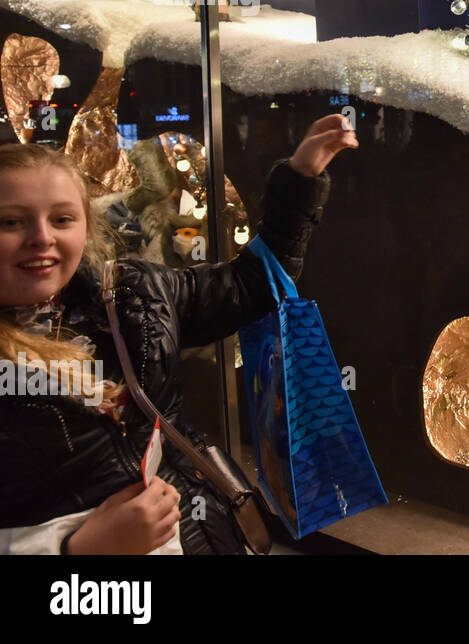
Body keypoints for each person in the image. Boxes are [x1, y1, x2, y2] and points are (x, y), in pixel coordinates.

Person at [0, 113, 357, 554]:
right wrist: (80, 551)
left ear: (86, 227)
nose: (41, 238)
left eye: (61, 219)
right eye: (11, 222)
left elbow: (249, 286)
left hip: (200, 533)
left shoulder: (129, 293)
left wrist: (302, 177)